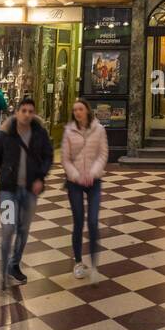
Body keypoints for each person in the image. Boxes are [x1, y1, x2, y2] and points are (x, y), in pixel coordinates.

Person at [0, 98, 53, 287]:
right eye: (24, 110)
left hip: (29, 192)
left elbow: (48, 157)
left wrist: (40, 178)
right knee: (8, 228)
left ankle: (14, 264)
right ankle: (2, 270)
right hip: (8, 190)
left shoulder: (39, 134)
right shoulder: (5, 135)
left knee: (24, 229)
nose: (27, 114)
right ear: (17, 112)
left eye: (30, 111)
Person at [61, 99, 108, 281]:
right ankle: (79, 262)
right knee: (78, 221)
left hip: (94, 181)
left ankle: (95, 262)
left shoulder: (99, 130)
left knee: (94, 221)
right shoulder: (68, 131)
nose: (77, 113)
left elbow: (103, 154)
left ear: (87, 110)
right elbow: (65, 159)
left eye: (80, 109)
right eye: (74, 110)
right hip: (75, 182)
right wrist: (77, 176)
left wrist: (93, 173)